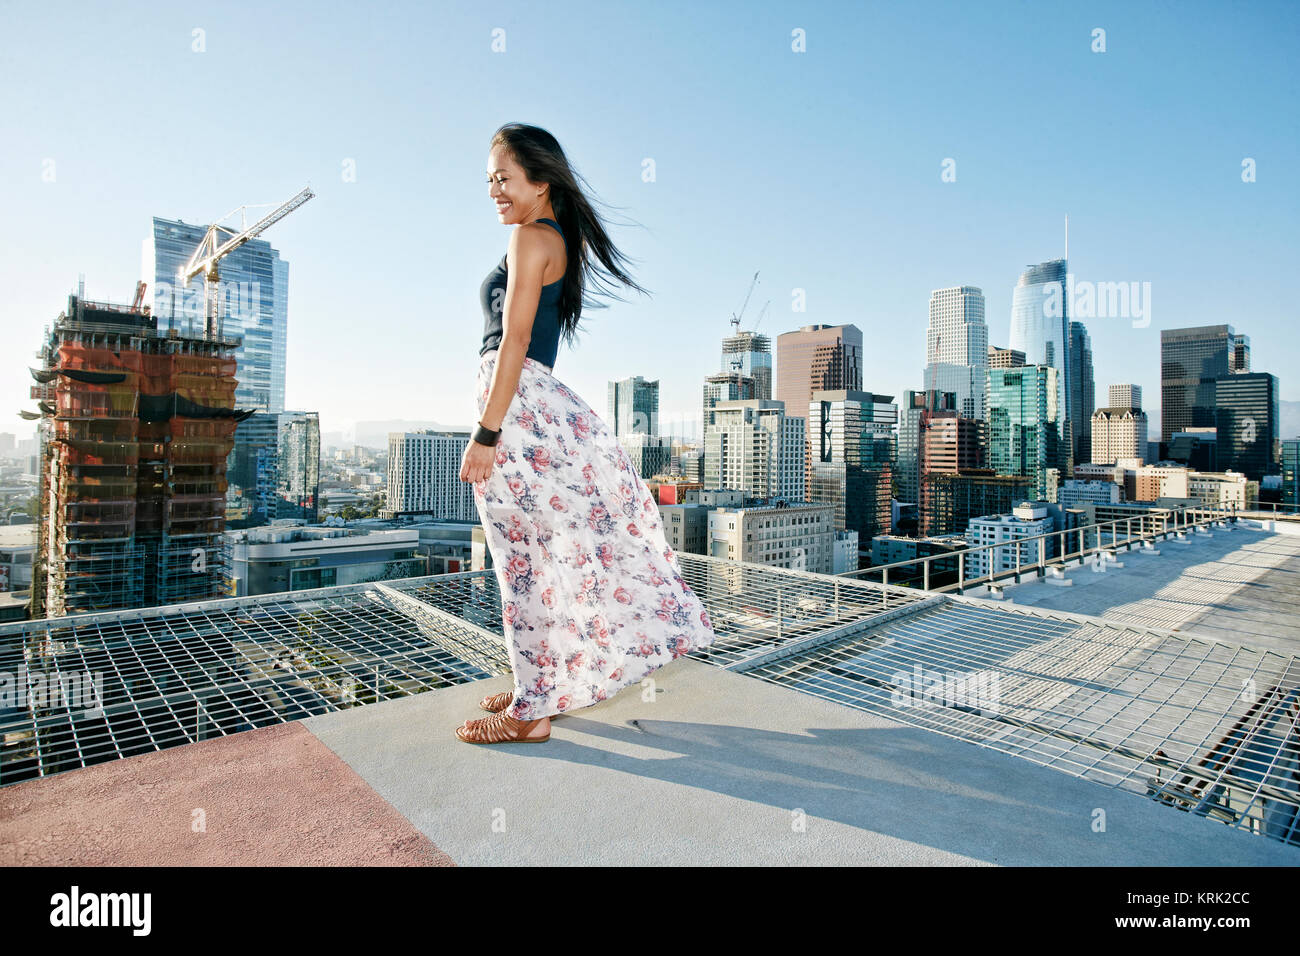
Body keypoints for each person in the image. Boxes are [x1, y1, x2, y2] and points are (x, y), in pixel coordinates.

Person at [456, 123, 717, 744]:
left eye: (505, 178)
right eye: (489, 180)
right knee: (541, 554)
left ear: (541, 183)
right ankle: (542, 684)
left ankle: (533, 714)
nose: (494, 190)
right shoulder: (551, 238)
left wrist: (487, 433)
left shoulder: (529, 237)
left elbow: (515, 340)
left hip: (515, 410)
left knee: (522, 558)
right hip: (531, 404)